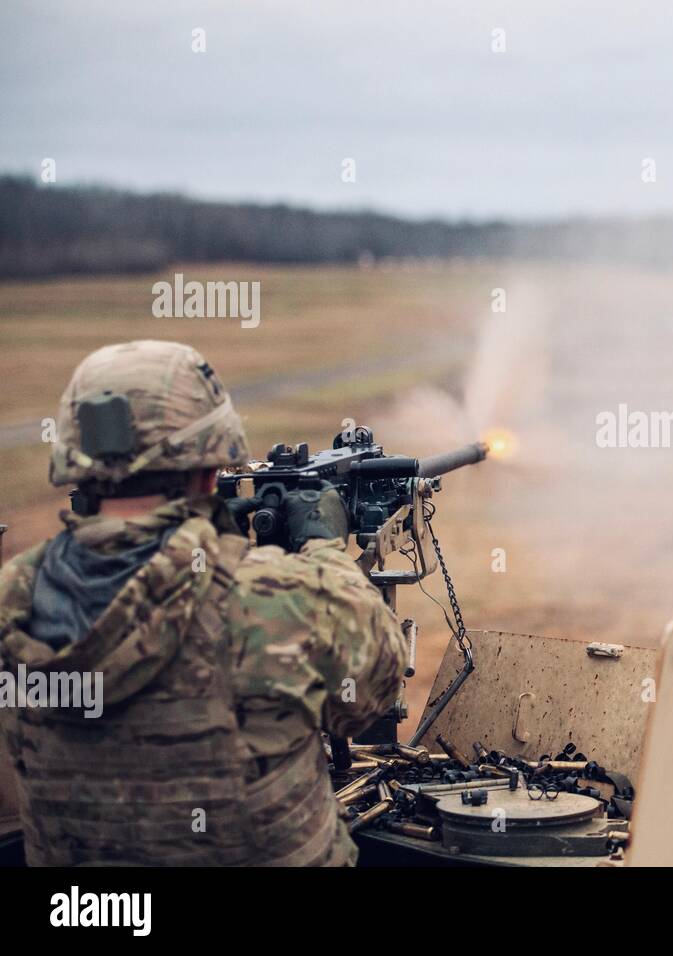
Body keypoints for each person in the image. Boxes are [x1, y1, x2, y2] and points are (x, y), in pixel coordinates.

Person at [0, 340, 406, 865]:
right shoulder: (283, 597)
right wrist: (325, 552)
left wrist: (211, 538)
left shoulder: (14, 594)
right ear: (209, 467)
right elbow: (374, 692)